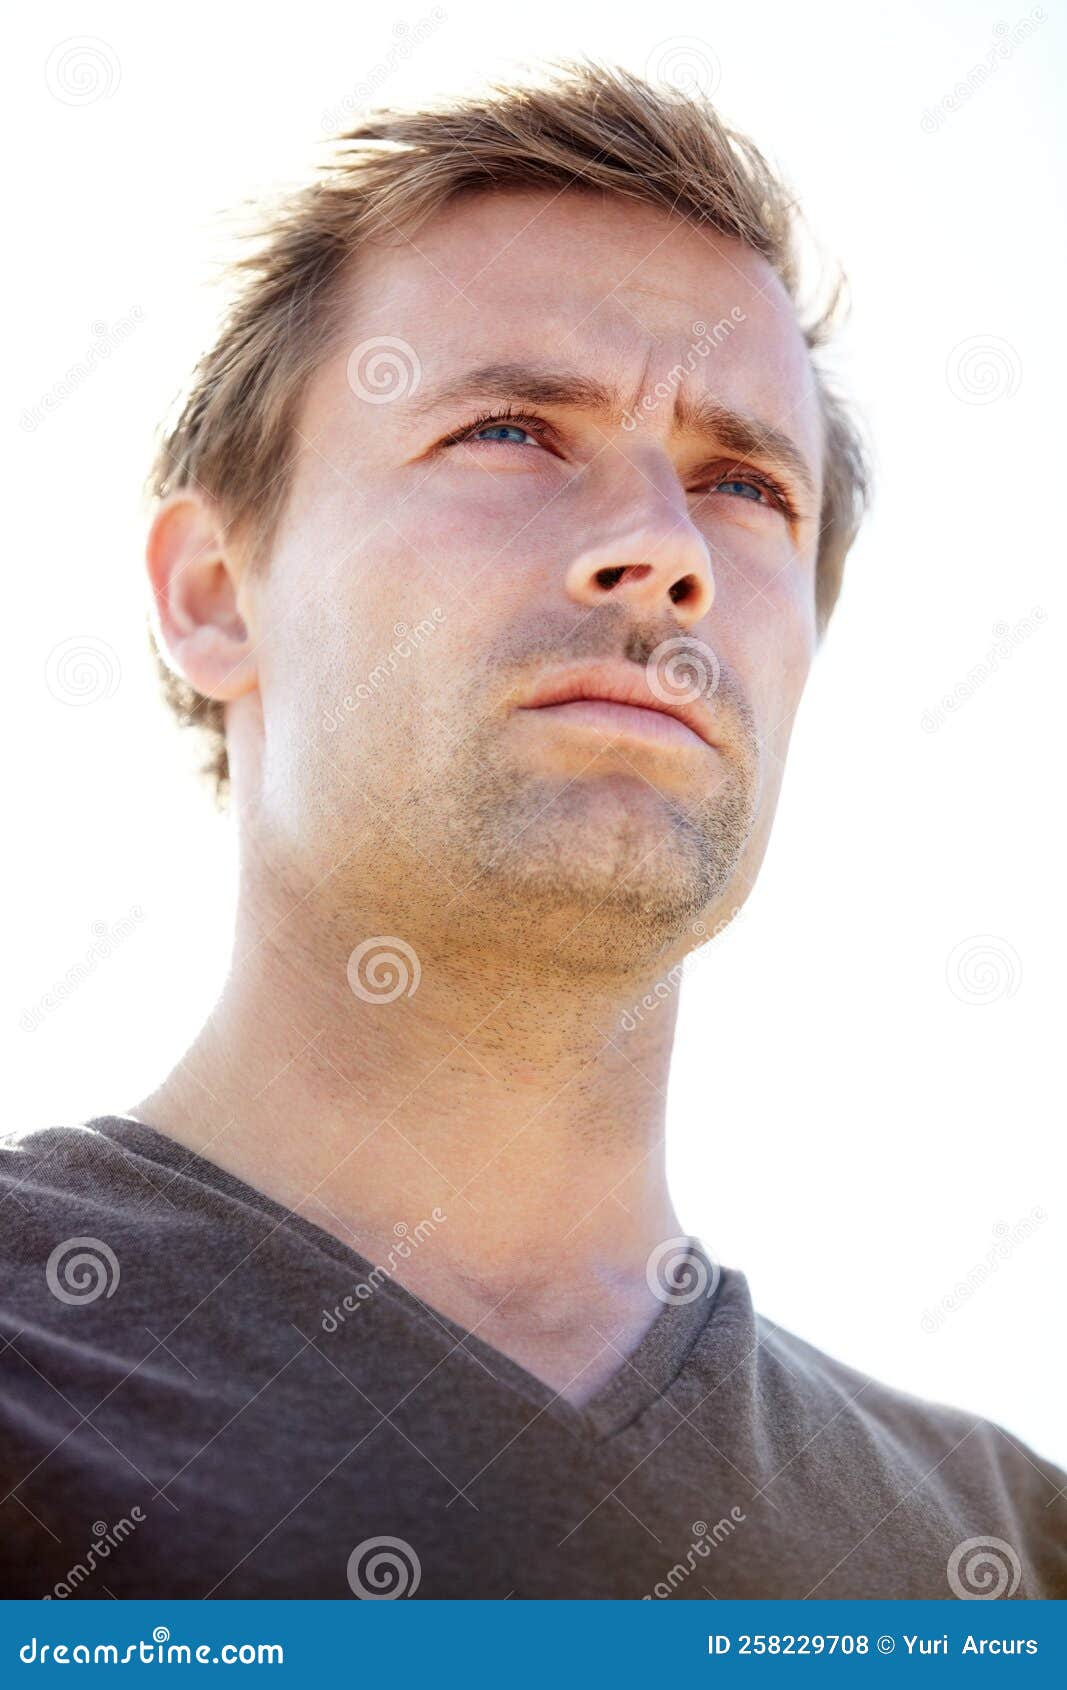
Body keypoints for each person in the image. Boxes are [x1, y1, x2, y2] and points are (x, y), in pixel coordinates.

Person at [3, 60, 1063, 1601]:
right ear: (217, 595)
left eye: (744, 482)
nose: (660, 545)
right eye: (510, 430)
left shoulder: (1007, 1557)